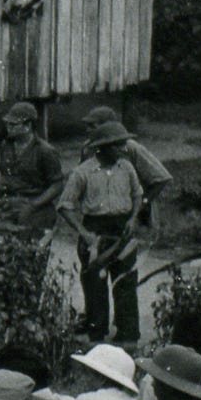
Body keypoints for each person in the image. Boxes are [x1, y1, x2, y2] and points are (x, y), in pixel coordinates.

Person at [59, 121, 150, 344]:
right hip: (95, 231)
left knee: (125, 281)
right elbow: (65, 206)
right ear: (103, 147)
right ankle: (96, 335)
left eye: (123, 144)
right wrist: (84, 232)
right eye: (118, 145)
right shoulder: (83, 172)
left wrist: (133, 217)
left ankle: (127, 335)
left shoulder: (127, 168)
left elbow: (138, 194)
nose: (123, 149)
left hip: (122, 229)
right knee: (94, 284)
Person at [0, 101, 67, 228]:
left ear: (28, 125)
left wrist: (33, 205)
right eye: (7, 124)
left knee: (30, 245)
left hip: (37, 209)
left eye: (13, 124)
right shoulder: (6, 146)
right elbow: (3, 175)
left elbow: (57, 185)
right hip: (10, 206)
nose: (8, 127)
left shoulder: (45, 151)